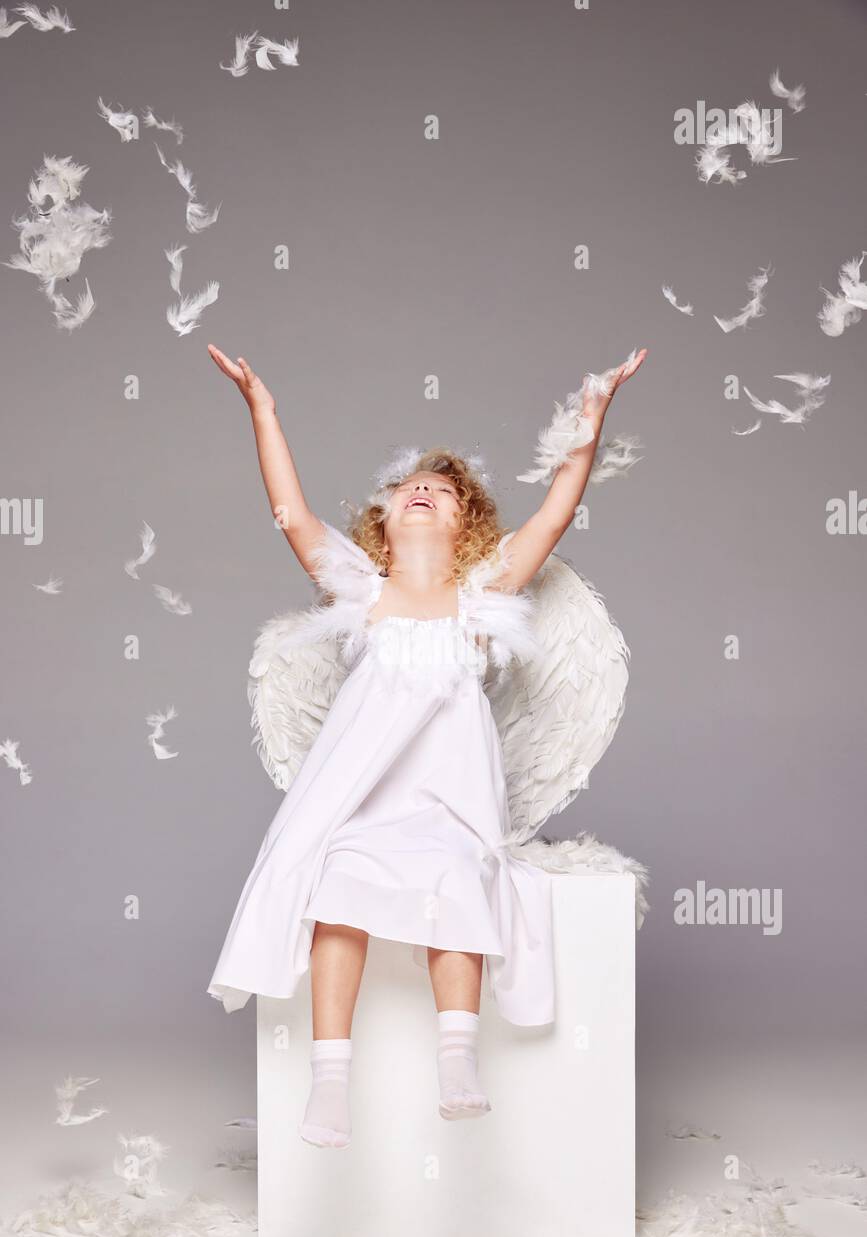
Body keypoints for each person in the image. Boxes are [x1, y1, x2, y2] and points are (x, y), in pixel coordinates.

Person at [205, 342, 646, 1148]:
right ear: (379, 522)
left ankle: (457, 1060)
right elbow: (294, 515)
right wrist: (261, 409)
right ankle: (329, 1082)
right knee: (335, 890)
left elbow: (554, 511)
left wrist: (590, 419)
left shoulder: (484, 596)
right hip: (363, 806)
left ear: (465, 524)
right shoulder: (359, 592)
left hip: (448, 805)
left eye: (440, 493)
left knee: (460, 884)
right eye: (409, 488)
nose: (422, 494)